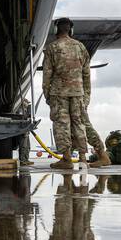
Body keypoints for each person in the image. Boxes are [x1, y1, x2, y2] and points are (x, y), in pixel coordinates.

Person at [43, 18, 110, 170]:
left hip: (59, 93)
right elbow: (87, 74)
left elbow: (47, 74)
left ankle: (66, 159)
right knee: (82, 124)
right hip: (78, 93)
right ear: (70, 30)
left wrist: (47, 95)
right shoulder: (80, 47)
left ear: (56, 30)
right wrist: (86, 96)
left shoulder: (52, 48)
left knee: (62, 124)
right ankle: (87, 158)